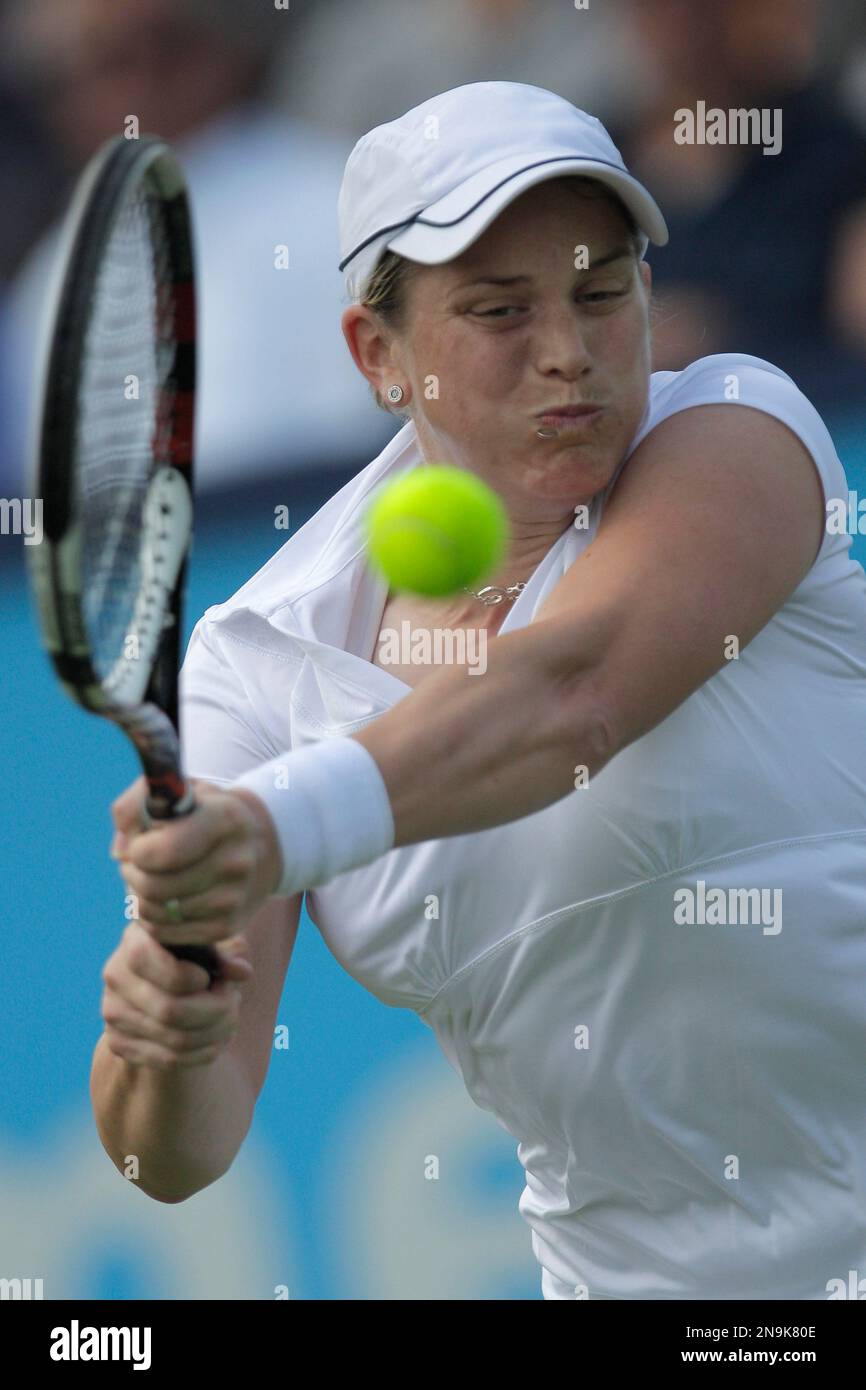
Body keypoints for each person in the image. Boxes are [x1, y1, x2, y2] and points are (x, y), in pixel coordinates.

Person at [92, 82, 866, 1301]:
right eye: (500, 311)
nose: (569, 351)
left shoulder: (741, 431)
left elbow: (574, 694)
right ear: (376, 355)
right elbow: (173, 1153)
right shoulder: (258, 661)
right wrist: (163, 1040)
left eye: (603, 293)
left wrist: (267, 826)